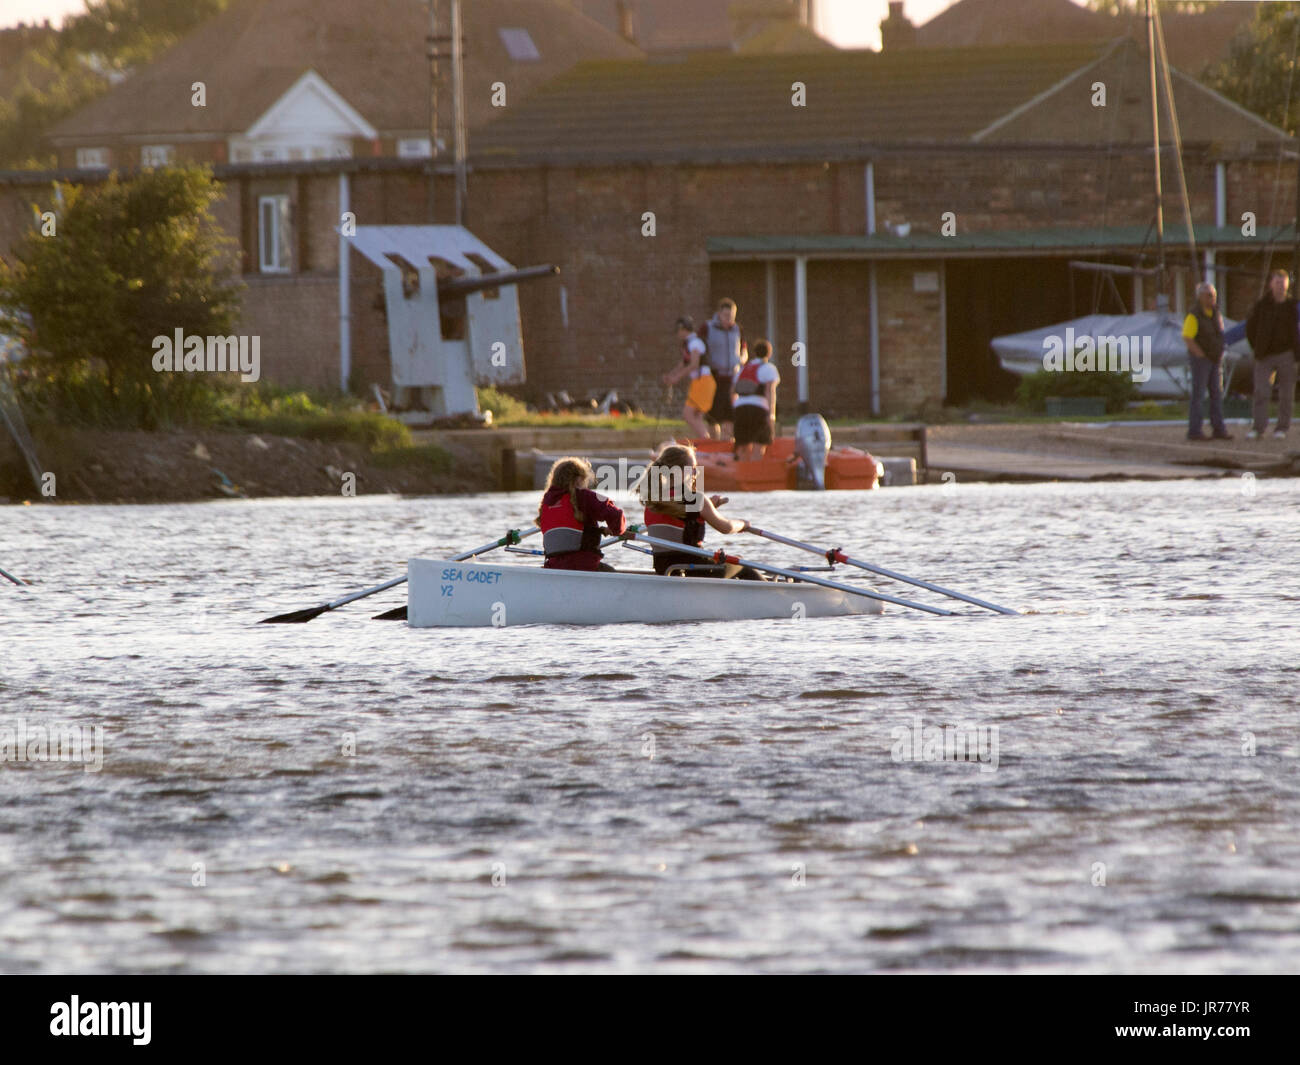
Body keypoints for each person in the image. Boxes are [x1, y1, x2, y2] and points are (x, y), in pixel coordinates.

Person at [638, 443, 764, 580]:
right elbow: (726, 527)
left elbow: (680, 517)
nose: (695, 472)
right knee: (742, 564)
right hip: (697, 570)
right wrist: (743, 524)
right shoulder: (696, 499)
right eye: (692, 468)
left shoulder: (653, 502)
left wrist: (709, 507)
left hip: (666, 570)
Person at [537, 456, 626, 571]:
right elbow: (616, 515)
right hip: (584, 564)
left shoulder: (547, 501)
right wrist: (616, 530)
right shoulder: (585, 496)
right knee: (613, 574)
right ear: (578, 479)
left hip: (554, 566)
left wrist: (602, 530)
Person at [1244, 269, 1299, 439]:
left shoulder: (1292, 306)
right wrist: (1257, 347)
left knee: (1286, 393)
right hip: (1264, 354)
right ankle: (1258, 427)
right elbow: (1250, 328)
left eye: (1283, 284)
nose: (1280, 287)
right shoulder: (1261, 305)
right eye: (1277, 283)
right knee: (1261, 391)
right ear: (1271, 284)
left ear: (1287, 285)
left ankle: (1282, 428)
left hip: (1287, 354)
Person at [1182, 282, 1232, 441]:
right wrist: (1200, 355)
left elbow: (1220, 333)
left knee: (1216, 395)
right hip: (1201, 361)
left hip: (1215, 359)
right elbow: (1187, 337)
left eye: (1214, 295)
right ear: (1200, 297)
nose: (1213, 298)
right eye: (1209, 295)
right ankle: (1194, 431)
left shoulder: (1216, 314)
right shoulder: (1194, 315)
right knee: (1198, 395)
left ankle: (1219, 429)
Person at [700, 298, 747, 441]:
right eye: (726, 316)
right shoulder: (708, 328)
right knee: (713, 415)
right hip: (715, 377)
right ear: (719, 314)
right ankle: (714, 443)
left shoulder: (737, 329)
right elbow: (700, 349)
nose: (729, 319)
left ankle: (728, 443)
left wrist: (741, 360)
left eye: (732, 316)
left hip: (732, 378)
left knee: (730, 415)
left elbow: (744, 350)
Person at [662, 315, 716, 440]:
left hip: (703, 381)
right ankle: (704, 440)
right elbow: (683, 363)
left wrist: (676, 378)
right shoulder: (689, 344)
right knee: (696, 415)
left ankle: (705, 440)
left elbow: (694, 364)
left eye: (678, 331)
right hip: (698, 382)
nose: (677, 334)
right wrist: (671, 375)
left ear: (683, 329)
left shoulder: (695, 343)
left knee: (688, 414)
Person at [731, 338, 780, 460]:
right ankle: (755, 473)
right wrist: (771, 415)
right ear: (769, 353)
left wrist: (736, 412)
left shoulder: (743, 369)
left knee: (743, 447)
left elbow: (732, 391)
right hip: (758, 409)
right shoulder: (769, 368)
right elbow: (770, 391)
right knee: (758, 446)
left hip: (740, 408)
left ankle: (743, 475)